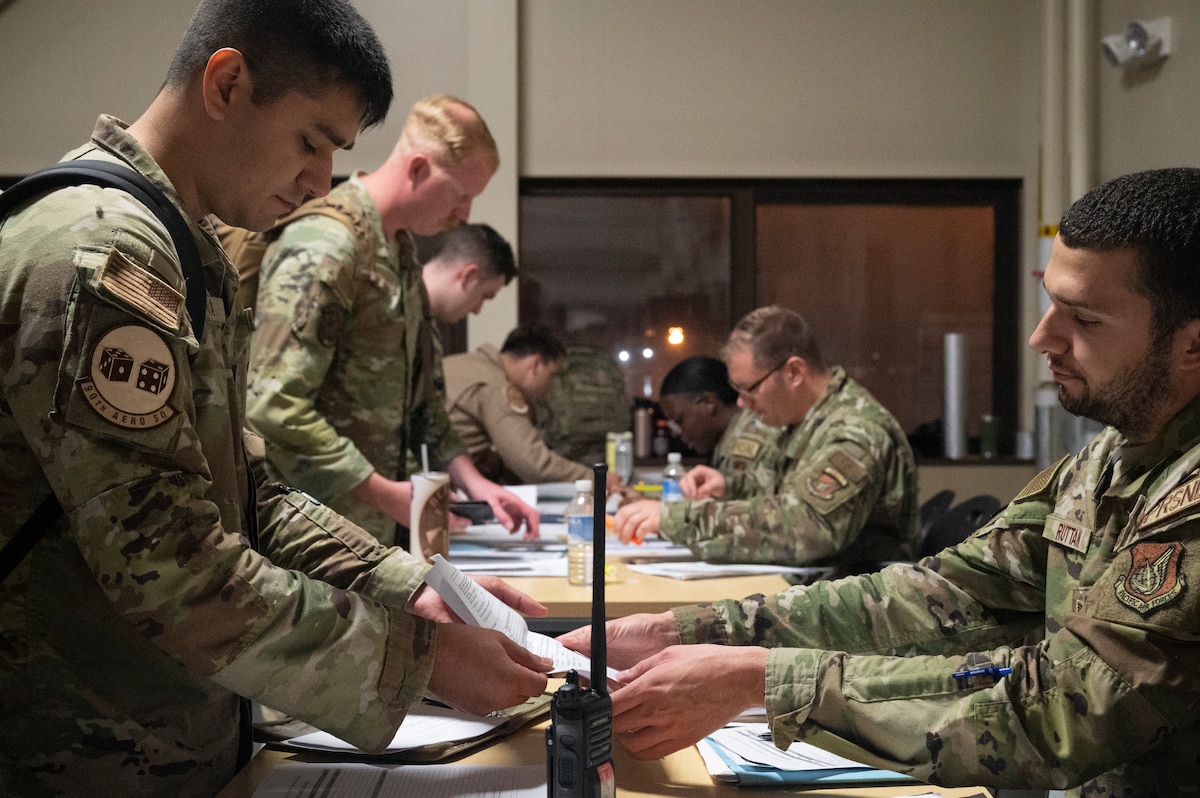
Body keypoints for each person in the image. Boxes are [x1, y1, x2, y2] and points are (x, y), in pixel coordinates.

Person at [0, 4, 553, 795]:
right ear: (226, 83)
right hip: (74, 747)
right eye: (310, 141)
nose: (320, 180)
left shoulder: (182, 244)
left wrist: (415, 589)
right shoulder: (104, 252)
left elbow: (249, 497)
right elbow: (173, 565)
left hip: (161, 727)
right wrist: (416, 662)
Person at [564, 168, 1200, 795]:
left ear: (1192, 344)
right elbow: (939, 594)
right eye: (1049, 305)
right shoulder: (1111, 458)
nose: (1041, 338)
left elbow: (1068, 713)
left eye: (1083, 320)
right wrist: (689, 631)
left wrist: (766, 680)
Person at [245, 94, 539, 548]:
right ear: (419, 168)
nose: (464, 215)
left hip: (368, 536)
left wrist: (479, 485)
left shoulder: (399, 254)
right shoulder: (328, 246)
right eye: (462, 195)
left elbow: (423, 409)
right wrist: (383, 494)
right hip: (309, 533)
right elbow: (274, 406)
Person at [614, 306, 918, 574]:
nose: (742, 405)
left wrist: (677, 519)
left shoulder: (855, 431)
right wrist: (730, 487)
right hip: (817, 591)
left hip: (860, 609)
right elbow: (791, 497)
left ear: (795, 372)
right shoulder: (803, 419)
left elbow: (807, 529)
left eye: (749, 389)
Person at [444, 324, 622, 491]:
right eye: (551, 375)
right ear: (535, 364)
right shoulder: (496, 388)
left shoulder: (467, 365)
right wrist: (596, 479)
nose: (549, 387)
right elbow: (531, 462)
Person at [658, 355, 782, 500]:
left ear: (708, 403)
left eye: (679, 420)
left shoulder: (749, 438)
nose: (677, 432)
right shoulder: (727, 438)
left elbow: (743, 515)